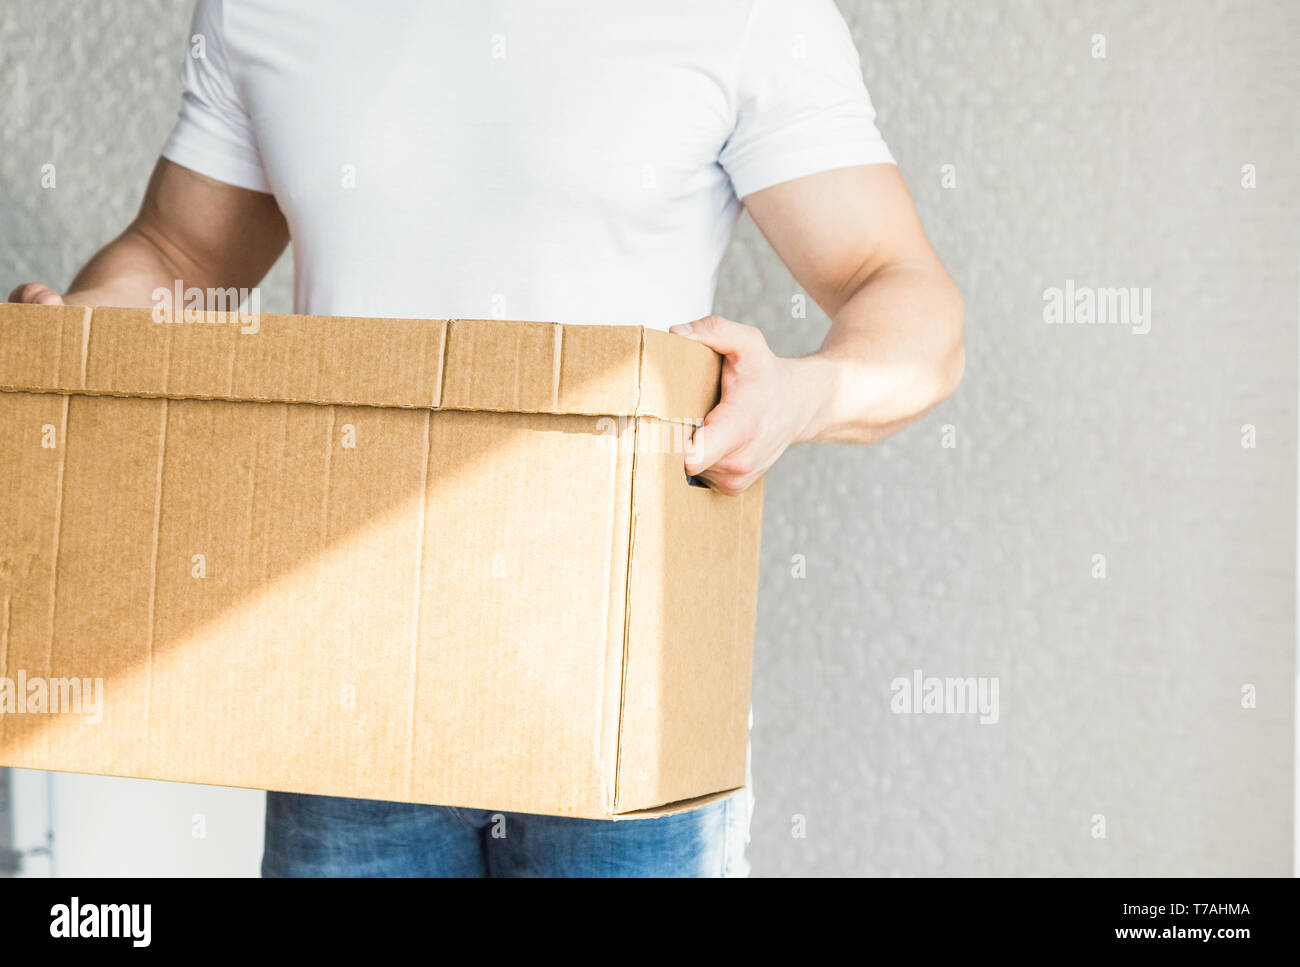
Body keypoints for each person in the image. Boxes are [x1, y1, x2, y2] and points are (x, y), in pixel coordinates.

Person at [8, 0, 963, 877]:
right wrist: (81, 327)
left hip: (625, 685)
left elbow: (901, 289)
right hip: (344, 679)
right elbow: (182, 255)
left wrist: (800, 395)